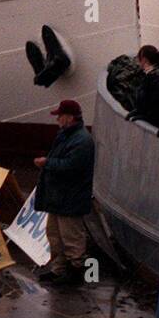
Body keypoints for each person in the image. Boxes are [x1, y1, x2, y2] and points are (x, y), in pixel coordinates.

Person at [33, 99, 95, 285]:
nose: (57, 119)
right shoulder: (69, 135)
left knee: (71, 238)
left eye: (60, 115)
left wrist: (47, 163)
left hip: (70, 198)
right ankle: (58, 270)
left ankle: (75, 273)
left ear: (70, 117)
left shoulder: (81, 141)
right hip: (60, 197)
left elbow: (72, 167)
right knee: (55, 235)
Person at [128, 45, 159, 131]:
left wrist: (146, 117)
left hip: (157, 124)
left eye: (139, 58)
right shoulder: (153, 76)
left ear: (144, 59)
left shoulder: (156, 79)